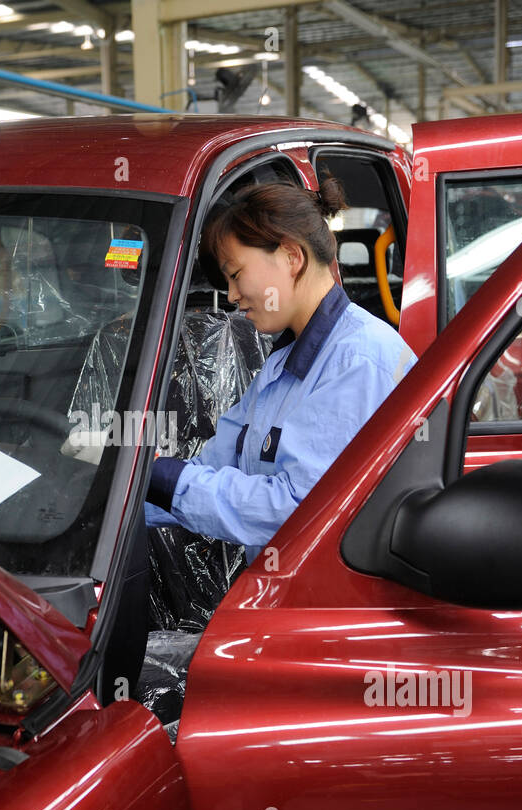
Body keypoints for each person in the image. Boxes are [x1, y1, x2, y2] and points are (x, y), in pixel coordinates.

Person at [144, 178, 417, 563]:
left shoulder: (357, 362)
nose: (233, 296)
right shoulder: (283, 365)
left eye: (235, 275)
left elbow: (295, 511)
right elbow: (214, 467)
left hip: (326, 607)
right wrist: (126, 487)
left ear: (292, 257)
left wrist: (162, 479)